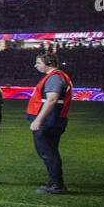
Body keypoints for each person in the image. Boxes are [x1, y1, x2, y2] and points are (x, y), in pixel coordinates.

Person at [26, 53, 73, 194]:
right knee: (50, 151)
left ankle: (57, 184)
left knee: (48, 152)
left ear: (48, 63)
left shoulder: (54, 78)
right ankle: (54, 181)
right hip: (54, 120)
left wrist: (38, 119)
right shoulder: (58, 76)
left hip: (49, 122)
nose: (36, 65)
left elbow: (52, 100)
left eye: (38, 62)